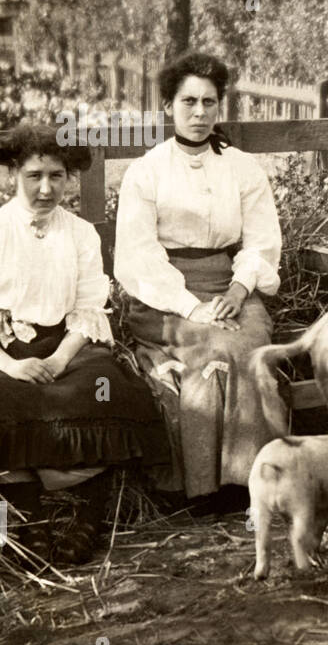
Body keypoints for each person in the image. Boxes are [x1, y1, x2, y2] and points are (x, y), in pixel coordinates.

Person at [0, 124, 169, 566]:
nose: (46, 188)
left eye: (57, 176)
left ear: (68, 178)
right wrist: (11, 366)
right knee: (3, 399)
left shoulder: (80, 234)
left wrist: (58, 357)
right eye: (34, 176)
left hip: (64, 344)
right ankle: (30, 521)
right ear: (13, 174)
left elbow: (89, 309)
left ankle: (88, 519)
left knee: (100, 388)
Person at [114, 51, 282, 499]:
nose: (199, 112)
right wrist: (192, 307)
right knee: (214, 344)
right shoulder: (146, 172)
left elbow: (262, 242)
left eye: (209, 102)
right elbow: (138, 256)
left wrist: (239, 288)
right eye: (188, 101)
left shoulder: (243, 168)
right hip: (163, 296)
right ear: (169, 105)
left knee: (244, 345)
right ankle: (204, 486)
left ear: (219, 106)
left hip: (229, 288)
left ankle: (246, 481)